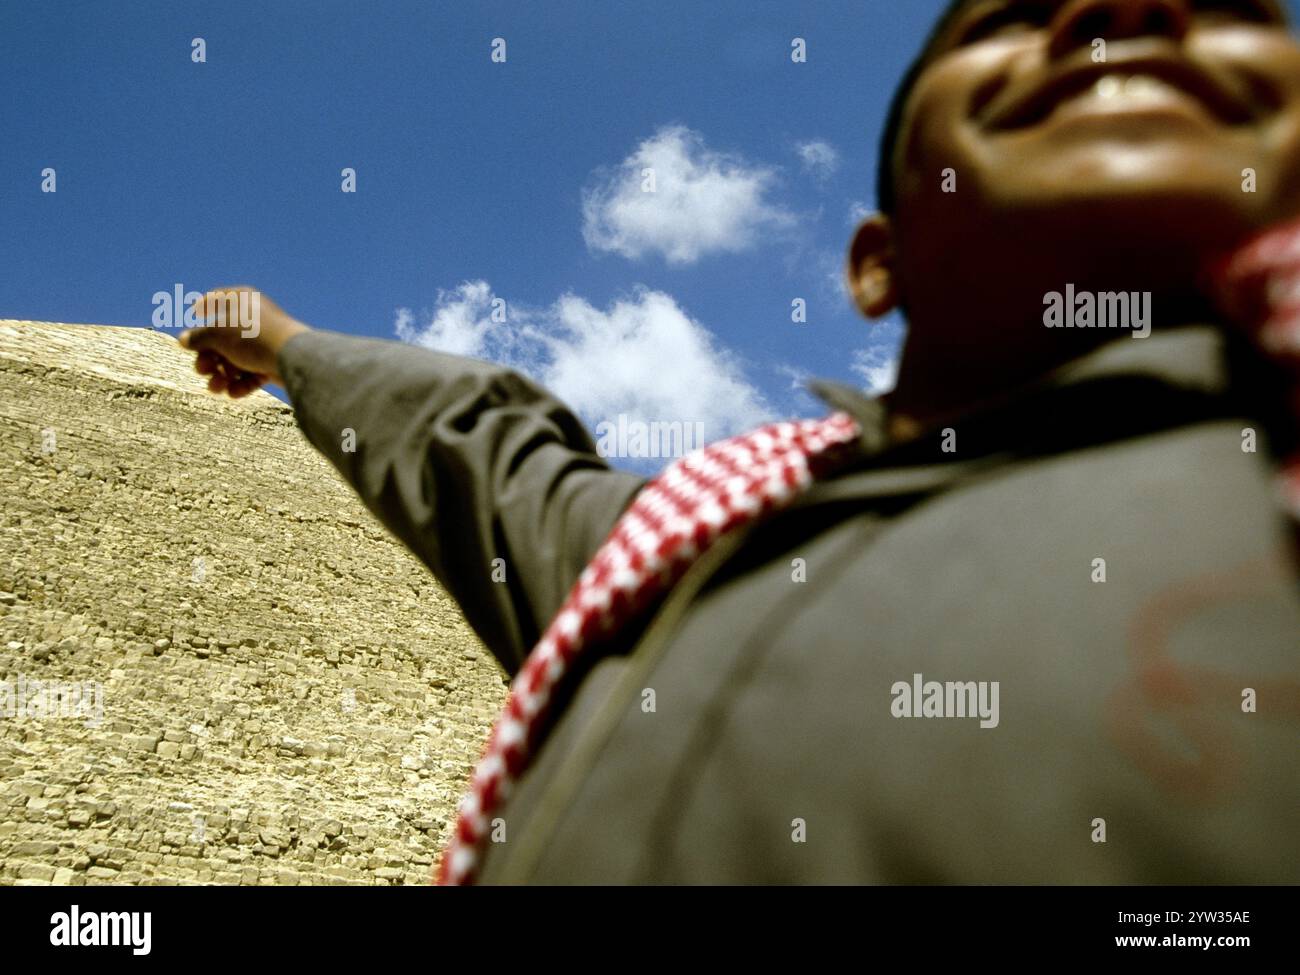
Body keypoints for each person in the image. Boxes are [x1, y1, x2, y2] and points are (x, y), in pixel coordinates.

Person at [178, 0, 1300, 884]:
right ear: (877, 264)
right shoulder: (689, 558)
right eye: (1001, 21)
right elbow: (479, 452)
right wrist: (287, 345)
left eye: (1232, 7)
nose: (1123, 9)